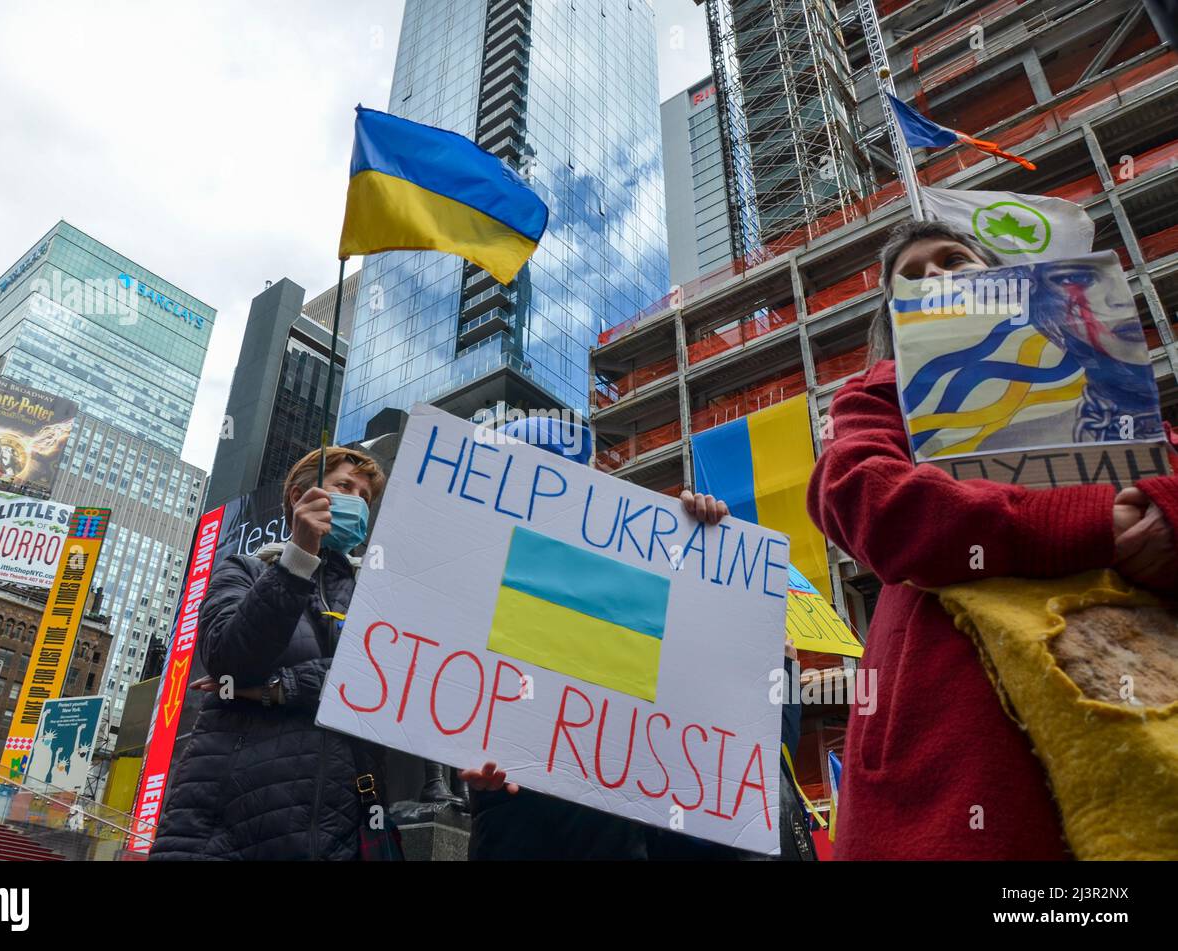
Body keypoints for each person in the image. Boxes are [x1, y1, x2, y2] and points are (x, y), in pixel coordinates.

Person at [807, 218, 1178, 859]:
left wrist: (1169, 518)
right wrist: (1080, 526)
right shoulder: (874, 397)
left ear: (1012, 282)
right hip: (950, 724)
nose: (939, 278)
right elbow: (867, 500)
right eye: (915, 276)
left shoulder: (1103, 372)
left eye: (954, 259)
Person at [461, 416, 738, 860]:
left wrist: (701, 539)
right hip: (513, 817)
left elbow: (697, 661)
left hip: (614, 823)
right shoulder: (471, 575)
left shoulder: (630, 566)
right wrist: (464, 754)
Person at [150, 447, 391, 860]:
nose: (357, 502)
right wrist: (298, 558)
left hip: (333, 834)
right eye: (345, 487)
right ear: (300, 496)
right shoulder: (244, 571)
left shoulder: (371, 598)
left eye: (365, 498)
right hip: (223, 833)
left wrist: (275, 688)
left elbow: (382, 681)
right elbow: (230, 660)